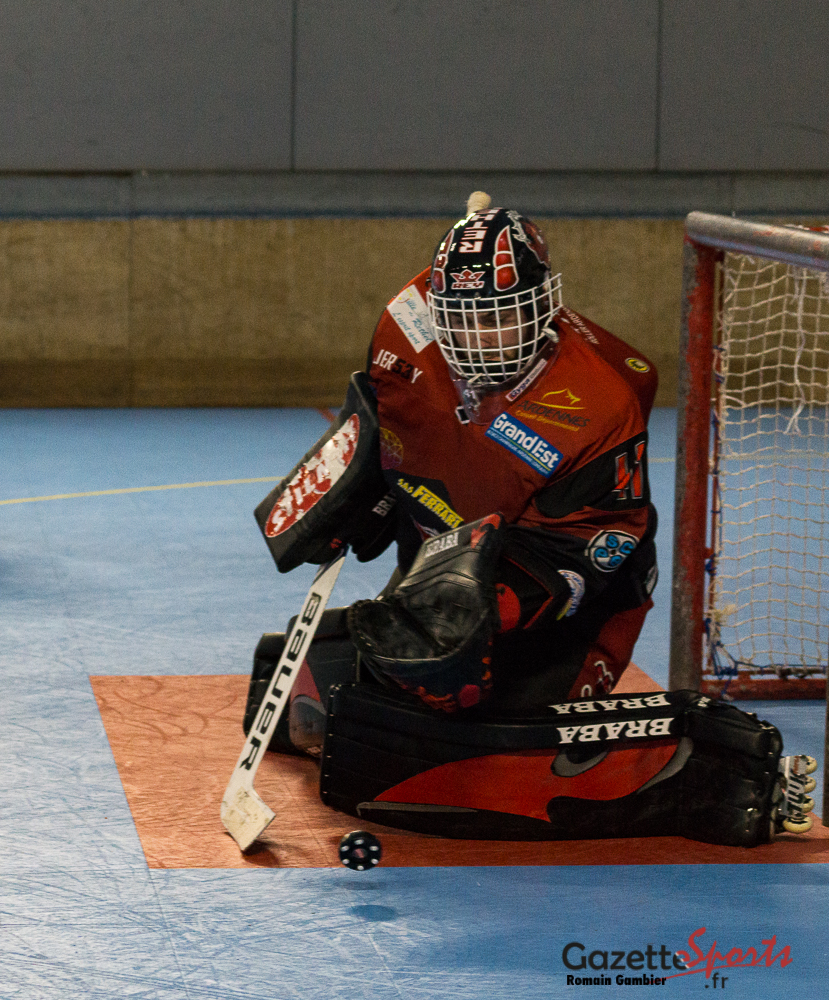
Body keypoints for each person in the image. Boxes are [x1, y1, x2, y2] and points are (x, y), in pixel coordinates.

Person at [249, 202, 659, 747]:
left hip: (562, 611)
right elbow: (381, 414)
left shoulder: (601, 405)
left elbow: (593, 552)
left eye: (499, 318)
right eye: (460, 321)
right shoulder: (406, 323)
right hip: (438, 559)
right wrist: (359, 483)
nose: (478, 340)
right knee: (342, 727)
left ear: (544, 307)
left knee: (489, 752)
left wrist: (484, 608)